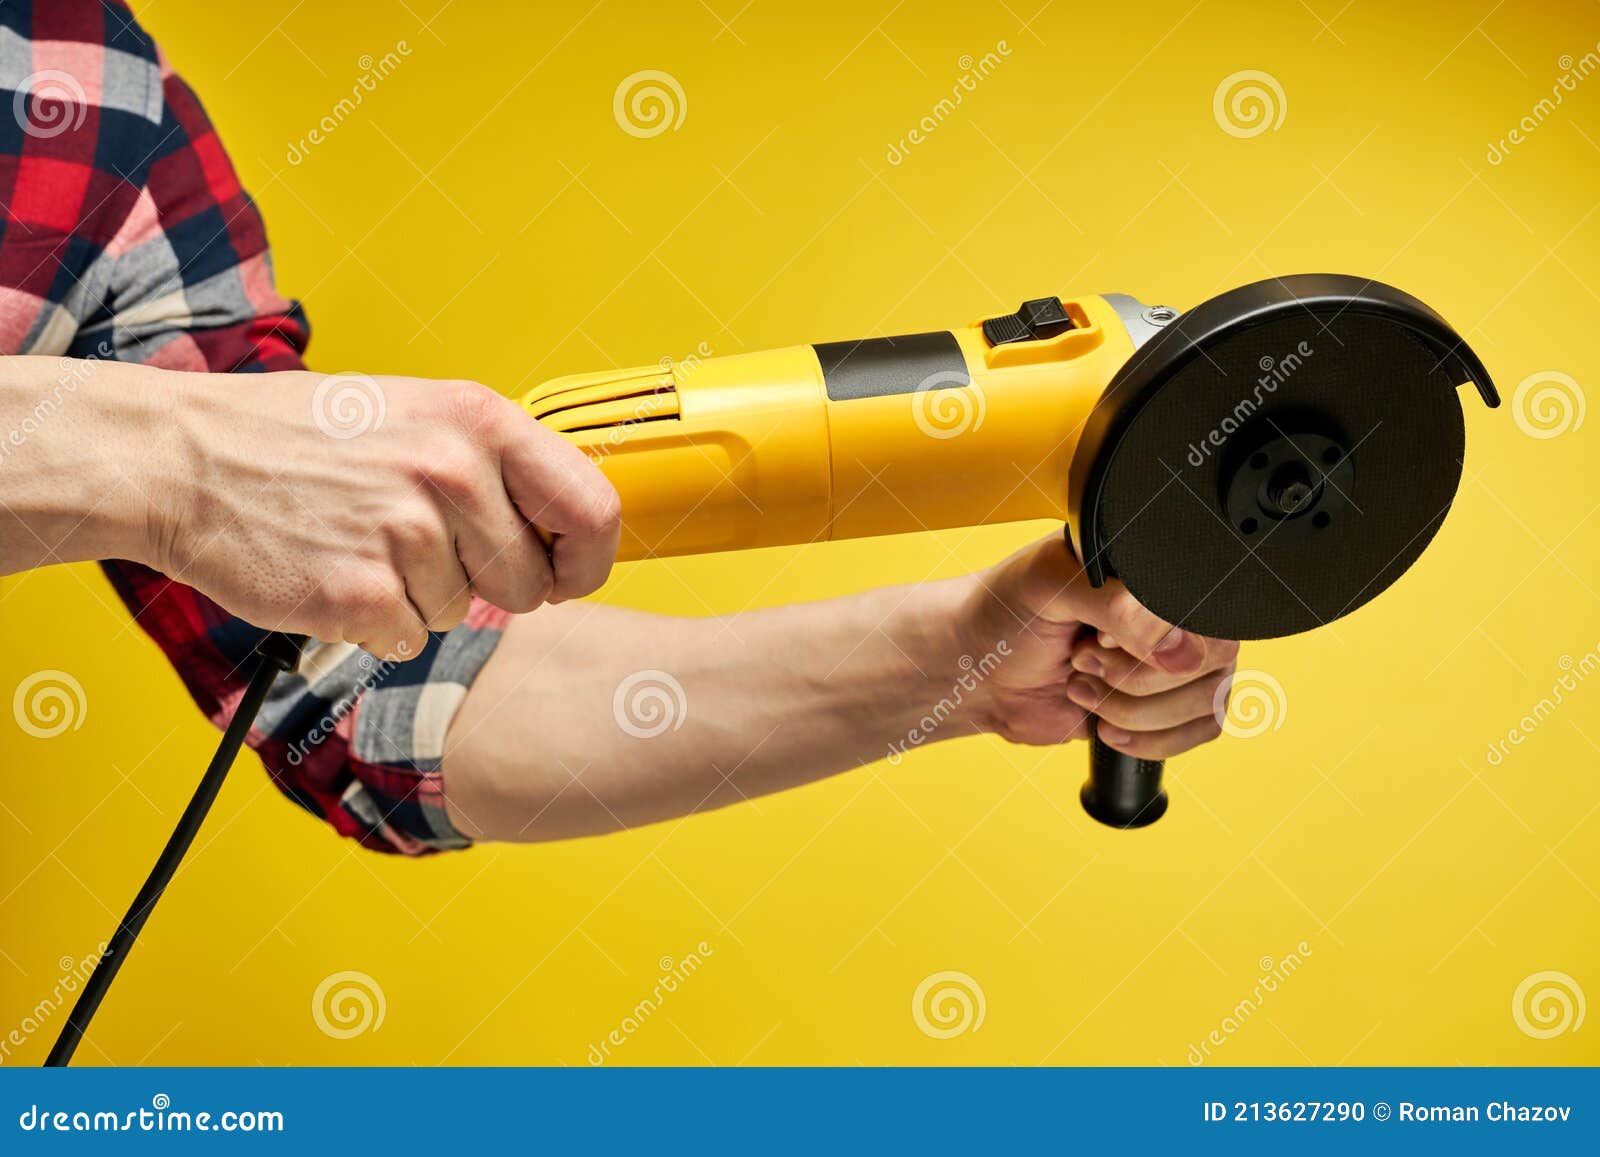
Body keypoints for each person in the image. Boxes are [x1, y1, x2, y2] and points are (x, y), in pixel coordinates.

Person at [0, 1, 1235, 854]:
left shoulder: (92, 90)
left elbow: (365, 692)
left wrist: (956, 653)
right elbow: (191, 458)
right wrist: (156, 453)